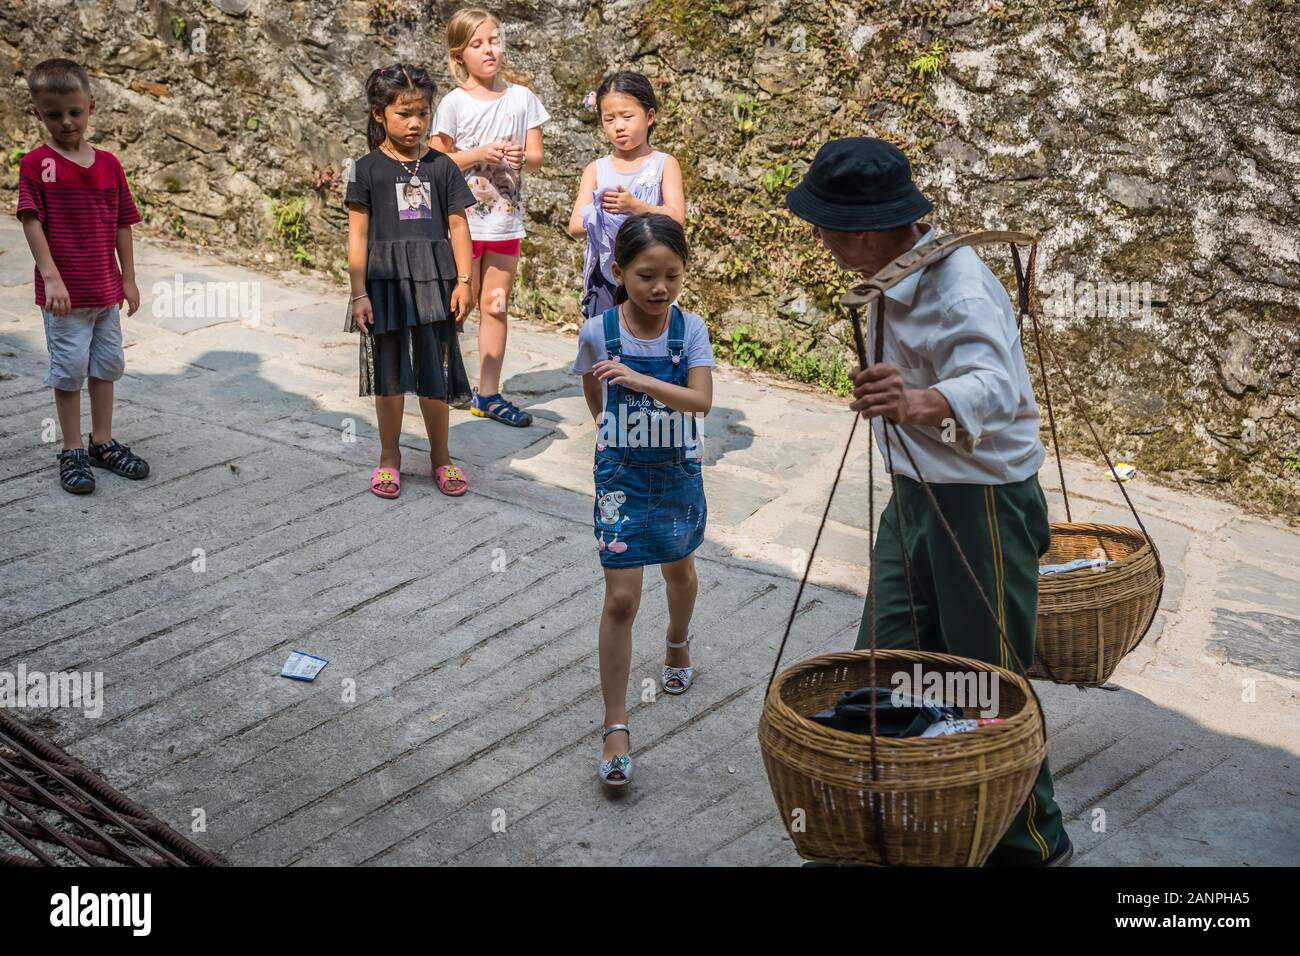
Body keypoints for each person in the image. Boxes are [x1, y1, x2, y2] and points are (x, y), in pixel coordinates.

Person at [785, 136, 1071, 866]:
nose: (819, 238)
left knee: (985, 681)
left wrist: (915, 401)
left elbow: (996, 390)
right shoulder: (895, 268)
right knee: (890, 655)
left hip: (982, 505)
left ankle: (1027, 837)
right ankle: (923, 805)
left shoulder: (961, 286)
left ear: (870, 230)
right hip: (916, 492)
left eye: (826, 226)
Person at [570, 213, 716, 788]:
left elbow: (700, 401)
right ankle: (615, 724)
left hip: (678, 472)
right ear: (618, 272)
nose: (660, 288)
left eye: (672, 276)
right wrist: (609, 428)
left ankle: (677, 643)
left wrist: (641, 380)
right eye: (647, 276)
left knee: (679, 570)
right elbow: (593, 388)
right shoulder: (597, 332)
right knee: (621, 600)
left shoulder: (691, 331)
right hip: (622, 478)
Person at [16, 58, 148, 495]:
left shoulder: (109, 164)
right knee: (70, 370)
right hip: (65, 298)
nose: (66, 121)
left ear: (90, 106)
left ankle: (103, 442)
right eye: (54, 114)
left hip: (104, 291)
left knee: (106, 366)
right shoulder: (36, 165)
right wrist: (51, 277)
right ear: (39, 113)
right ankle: (72, 448)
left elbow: (122, 224)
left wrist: (128, 278)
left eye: (74, 111)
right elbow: (31, 220)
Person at [345, 63, 476, 499]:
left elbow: (458, 226)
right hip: (385, 284)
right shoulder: (366, 170)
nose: (415, 122)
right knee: (390, 372)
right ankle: (389, 457)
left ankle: (442, 457)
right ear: (379, 114)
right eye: (404, 113)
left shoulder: (443, 167)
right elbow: (358, 234)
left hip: (436, 282)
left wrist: (465, 280)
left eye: (422, 112)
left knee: (436, 371)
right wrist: (359, 292)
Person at [431, 6, 550, 427]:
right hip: (461, 227)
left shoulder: (522, 99)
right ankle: (441, 380)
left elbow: (535, 157)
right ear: (459, 55)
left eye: (494, 40)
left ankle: (489, 393)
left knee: (495, 307)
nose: (489, 50)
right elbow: (436, 161)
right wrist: (479, 154)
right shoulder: (454, 103)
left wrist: (522, 157)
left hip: (504, 226)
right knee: (456, 308)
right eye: (477, 44)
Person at [567, 70, 685, 318]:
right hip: (605, 277)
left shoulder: (664, 164)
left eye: (627, 116)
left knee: (648, 345)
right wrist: (599, 214)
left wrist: (635, 206)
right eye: (609, 120)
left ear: (649, 116)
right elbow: (575, 226)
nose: (618, 126)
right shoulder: (596, 169)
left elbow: (676, 219)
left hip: (650, 276)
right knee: (603, 344)